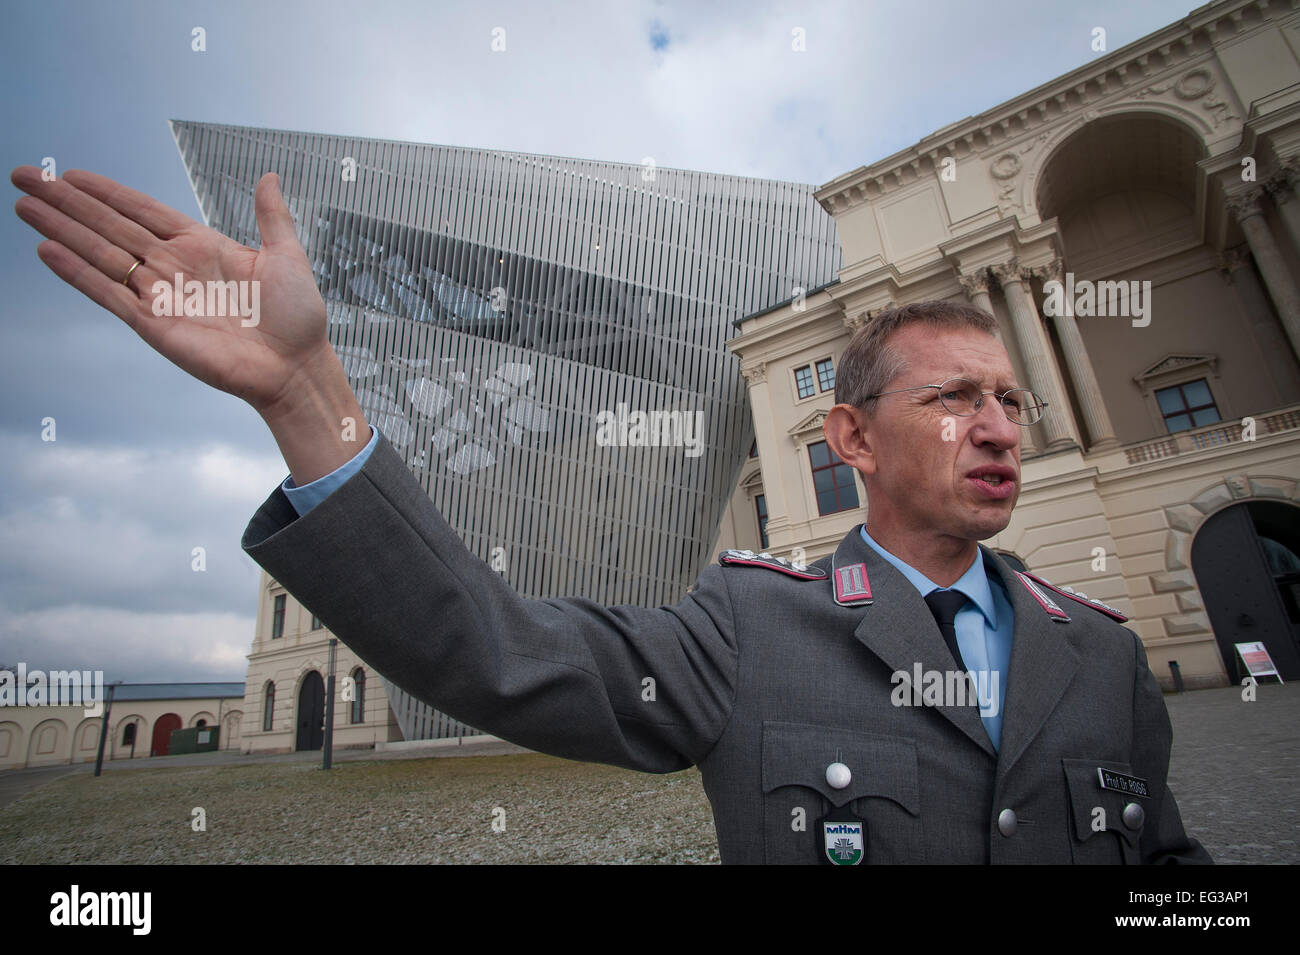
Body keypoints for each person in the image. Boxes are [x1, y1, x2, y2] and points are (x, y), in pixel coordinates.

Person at [11, 166, 1211, 864]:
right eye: (953, 398)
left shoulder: (1098, 652)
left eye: (1007, 397)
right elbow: (489, 648)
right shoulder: (749, 630)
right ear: (848, 440)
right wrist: (304, 392)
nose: (1000, 424)